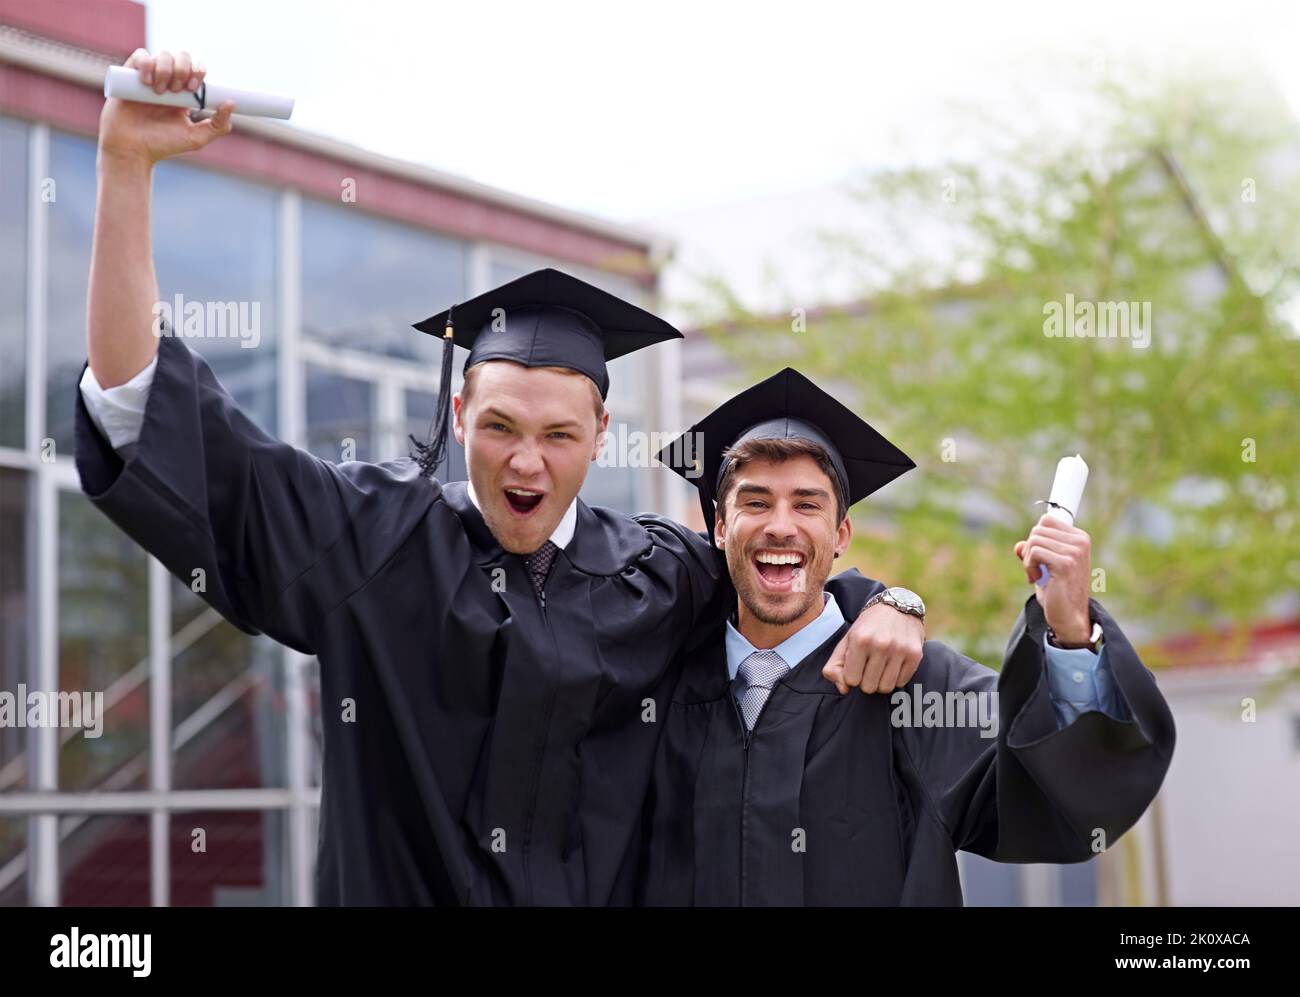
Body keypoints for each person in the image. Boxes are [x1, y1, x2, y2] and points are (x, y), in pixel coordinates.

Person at [76, 48, 927, 905]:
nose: (526, 461)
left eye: (559, 435)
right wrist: (124, 165)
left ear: (600, 434)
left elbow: (782, 578)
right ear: (457, 417)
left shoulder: (660, 576)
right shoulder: (374, 542)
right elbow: (139, 403)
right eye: (499, 428)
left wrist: (888, 602)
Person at [639, 368, 1176, 905]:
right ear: (719, 527)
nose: (781, 526)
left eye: (807, 504)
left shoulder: (915, 691)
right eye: (756, 503)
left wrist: (1070, 631)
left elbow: (1065, 801)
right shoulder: (659, 684)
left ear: (841, 534)